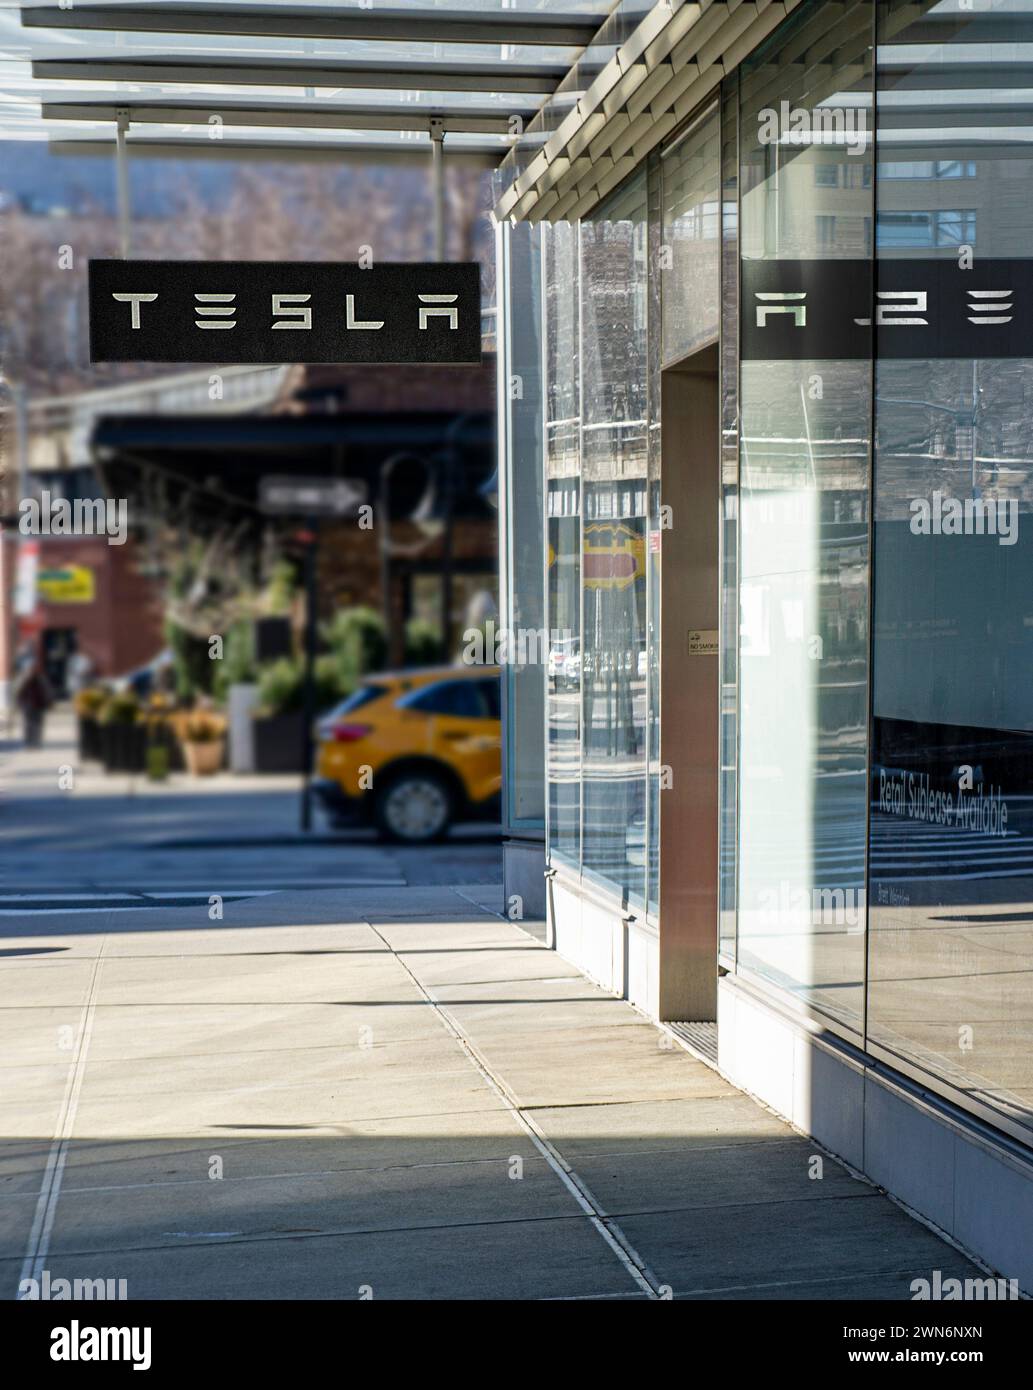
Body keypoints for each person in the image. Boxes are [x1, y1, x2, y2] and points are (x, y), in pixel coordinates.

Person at [15, 657, 54, 748]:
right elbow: (18, 691)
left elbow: (47, 691)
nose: (32, 670)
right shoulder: (23, 679)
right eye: (31, 668)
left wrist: (49, 701)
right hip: (27, 705)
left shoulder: (41, 679)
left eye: (34, 668)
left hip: (38, 705)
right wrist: (19, 703)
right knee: (28, 724)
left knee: (38, 724)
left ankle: (36, 741)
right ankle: (29, 742)